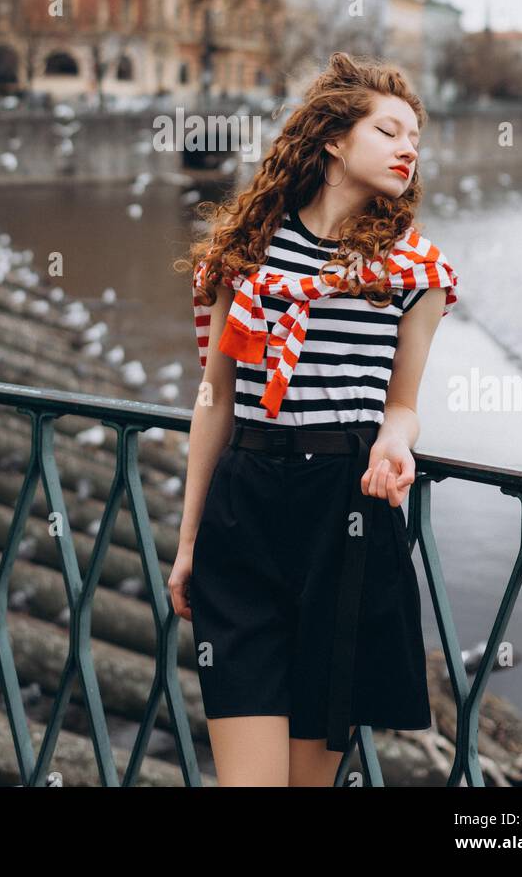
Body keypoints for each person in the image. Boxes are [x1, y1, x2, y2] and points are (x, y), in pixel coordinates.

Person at [169, 52, 459, 787]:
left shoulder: (414, 272)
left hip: (346, 519)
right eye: (389, 130)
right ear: (333, 139)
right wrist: (190, 536)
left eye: (415, 140)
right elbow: (216, 398)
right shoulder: (250, 252)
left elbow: (402, 404)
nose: (407, 150)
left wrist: (396, 442)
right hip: (246, 511)